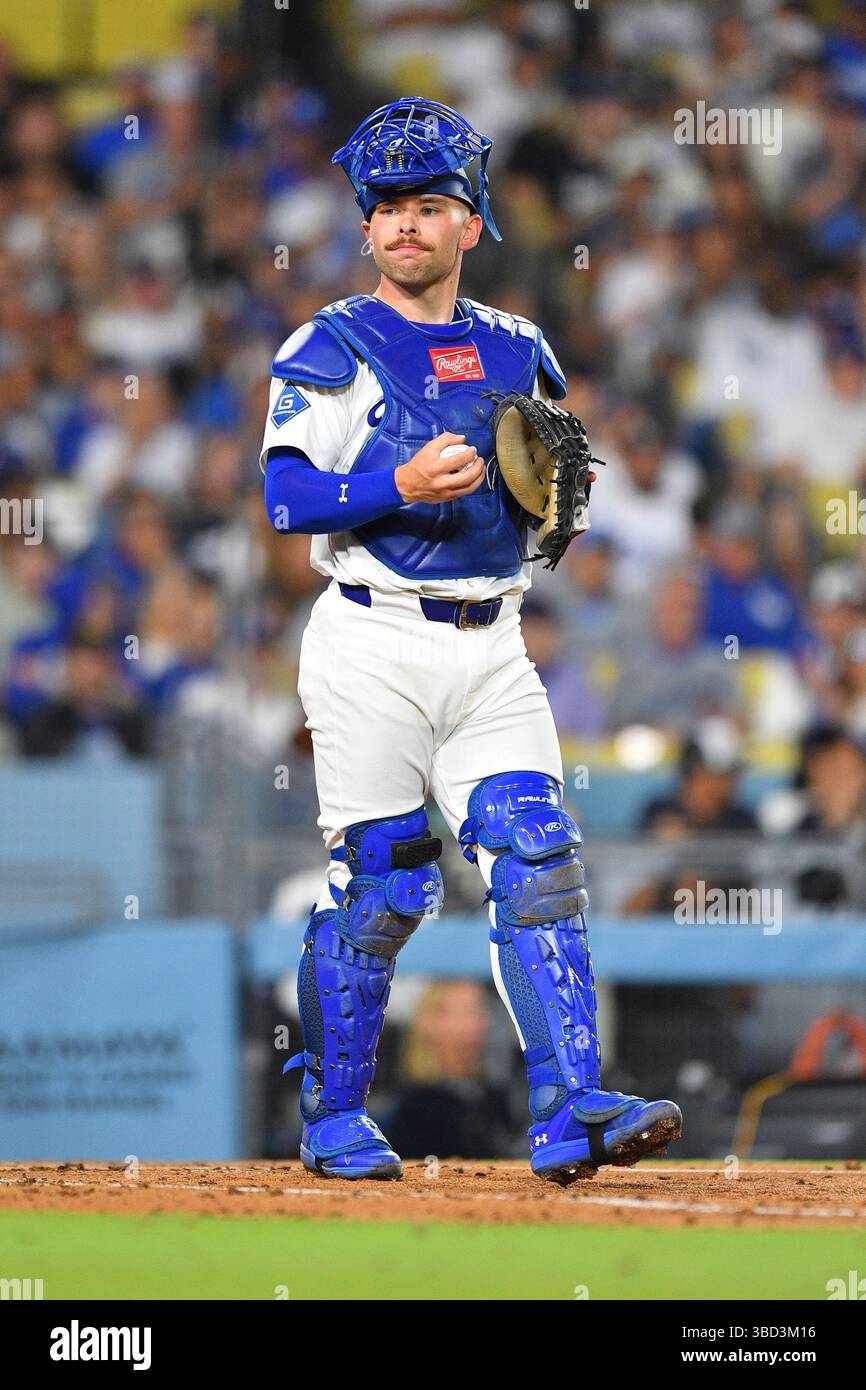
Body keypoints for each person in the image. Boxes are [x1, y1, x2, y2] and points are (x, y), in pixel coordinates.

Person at [259, 97, 681, 1184]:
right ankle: (331, 1117)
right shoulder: (330, 342)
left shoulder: (519, 347)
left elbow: (555, 497)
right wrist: (391, 482)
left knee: (535, 855)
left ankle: (568, 1106)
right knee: (389, 885)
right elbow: (285, 494)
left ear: (469, 223)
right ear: (365, 228)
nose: (404, 221)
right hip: (369, 641)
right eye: (386, 205)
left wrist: (554, 508)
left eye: (428, 203)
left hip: (492, 639)